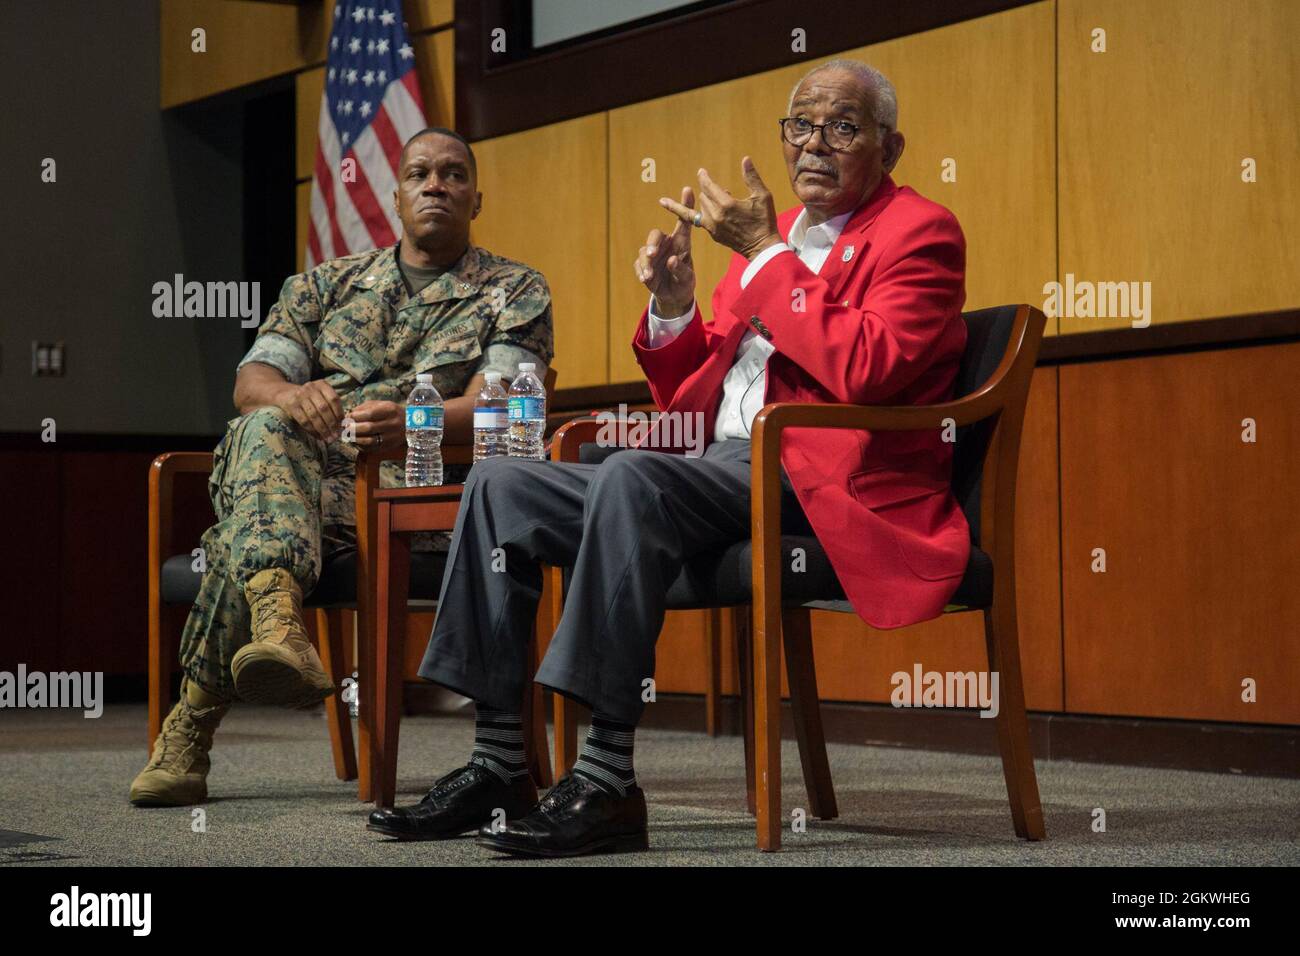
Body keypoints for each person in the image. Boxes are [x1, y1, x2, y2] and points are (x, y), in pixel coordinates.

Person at [369, 59, 968, 857]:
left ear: (889, 150)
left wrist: (762, 257)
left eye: (842, 127)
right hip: (720, 466)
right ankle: (499, 760)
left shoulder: (920, 232)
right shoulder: (775, 238)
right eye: (800, 125)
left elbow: (869, 369)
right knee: (501, 482)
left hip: (827, 480)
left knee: (631, 475)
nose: (814, 144)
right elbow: (694, 395)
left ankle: (608, 778)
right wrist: (676, 307)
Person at [130, 127, 554, 807]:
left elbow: (506, 408)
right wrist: (296, 396)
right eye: (419, 174)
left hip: (428, 499)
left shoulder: (514, 289)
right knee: (267, 422)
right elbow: (252, 384)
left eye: (453, 175)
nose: (436, 185)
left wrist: (417, 419)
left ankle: (193, 725)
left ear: (477, 198)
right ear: (397, 194)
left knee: (243, 527)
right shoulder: (327, 284)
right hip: (307, 486)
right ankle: (276, 622)